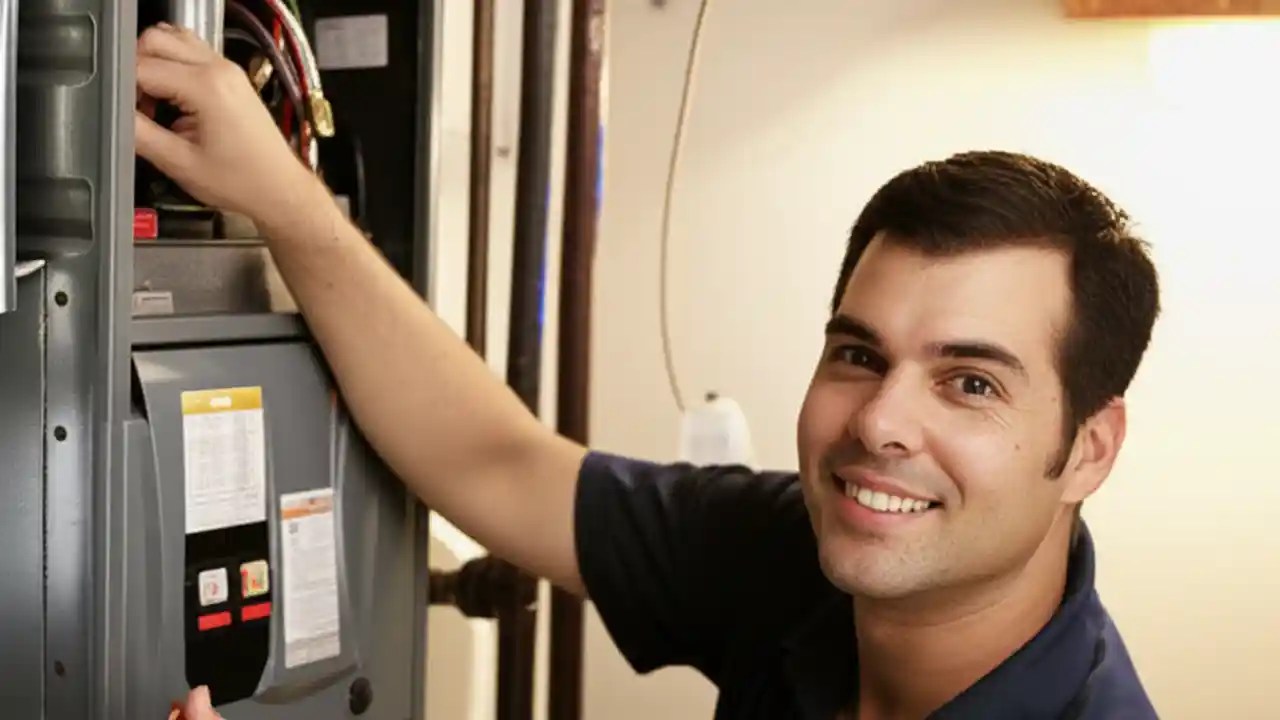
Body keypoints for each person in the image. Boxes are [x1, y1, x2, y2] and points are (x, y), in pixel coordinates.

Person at [137, 23, 1160, 720]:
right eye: (857, 354)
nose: (880, 423)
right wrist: (280, 196)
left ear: (1087, 448)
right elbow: (495, 462)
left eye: (969, 383)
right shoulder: (793, 551)